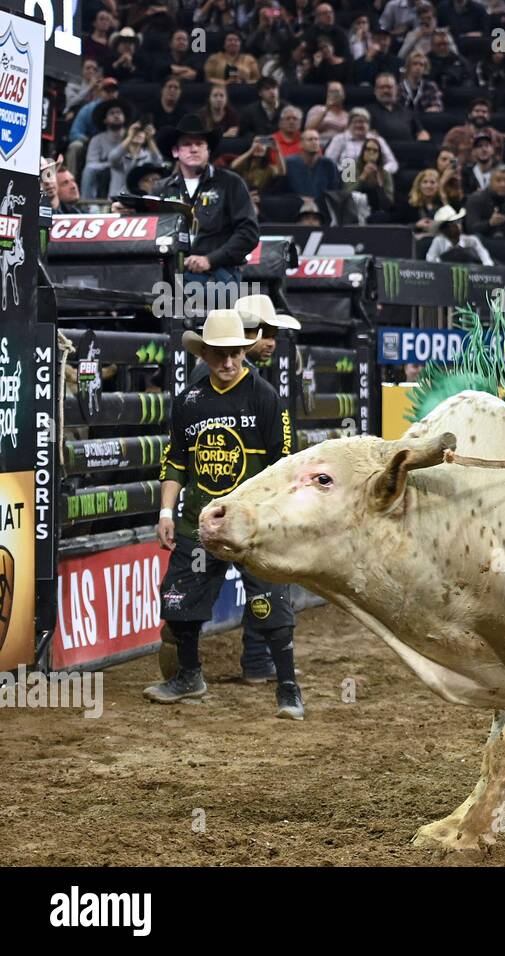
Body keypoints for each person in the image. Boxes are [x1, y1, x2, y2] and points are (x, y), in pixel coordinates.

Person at [145, 309, 303, 719]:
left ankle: (288, 686)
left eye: (234, 353)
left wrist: (277, 517)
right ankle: (189, 676)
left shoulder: (265, 397)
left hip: (252, 523)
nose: (228, 362)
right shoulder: (189, 401)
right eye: (219, 354)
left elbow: (283, 464)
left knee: (270, 601)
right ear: (205, 355)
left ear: (244, 351)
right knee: (180, 598)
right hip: (199, 519)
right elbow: (175, 460)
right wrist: (166, 510)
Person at [154, 115, 260, 310]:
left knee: (176, 300)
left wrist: (210, 260)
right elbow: (149, 232)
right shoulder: (161, 189)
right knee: (147, 299)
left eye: (199, 144)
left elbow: (249, 233)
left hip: (220, 275)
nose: (194, 148)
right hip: (170, 277)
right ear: (175, 151)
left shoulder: (230, 183)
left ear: (208, 150)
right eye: (186, 144)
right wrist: (129, 213)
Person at [424, 205, 494, 263]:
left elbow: (487, 261)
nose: (458, 225)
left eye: (458, 221)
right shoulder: (438, 241)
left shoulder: (472, 241)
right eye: (452, 223)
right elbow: (430, 261)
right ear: (443, 230)